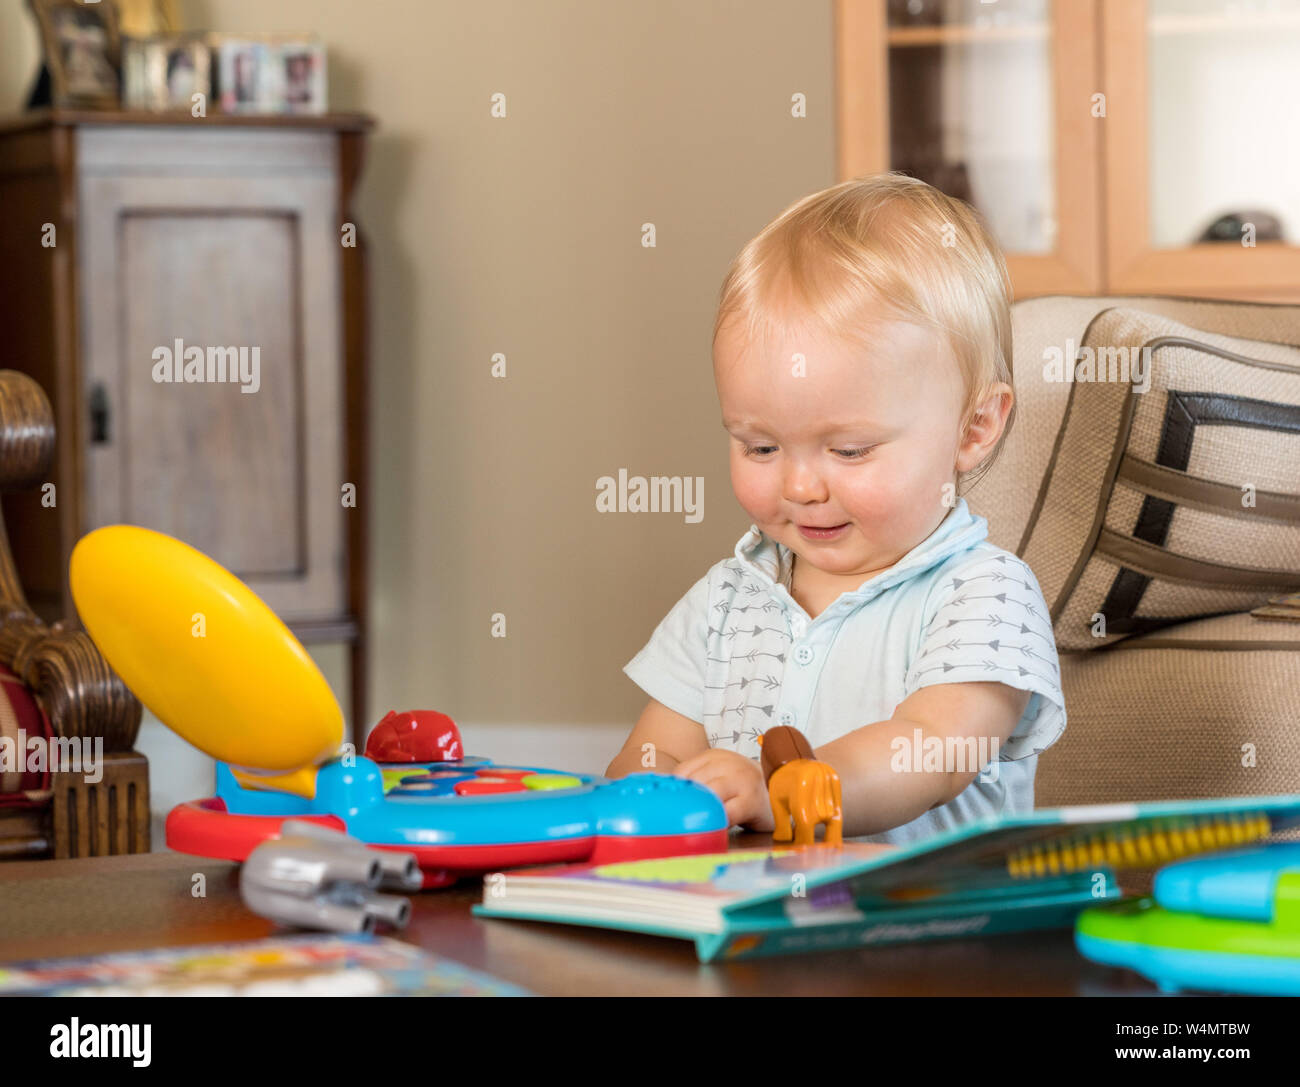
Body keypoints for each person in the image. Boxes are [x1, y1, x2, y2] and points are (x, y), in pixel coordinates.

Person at [607, 173, 1065, 845]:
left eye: (848, 450)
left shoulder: (984, 595)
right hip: (748, 912)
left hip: (929, 930)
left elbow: (931, 750)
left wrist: (782, 794)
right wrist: (662, 797)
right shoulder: (729, 598)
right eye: (760, 446)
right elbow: (649, 755)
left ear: (973, 428)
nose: (799, 486)